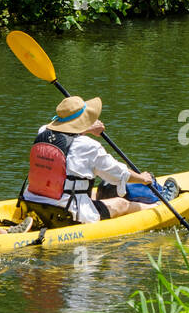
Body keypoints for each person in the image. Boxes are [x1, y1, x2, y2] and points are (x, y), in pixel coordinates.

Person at [19, 96, 162, 228]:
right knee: (122, 203)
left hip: (32, 202)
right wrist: (143, 178)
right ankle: (159, 207)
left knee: (91, 194)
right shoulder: (89, 146)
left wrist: (86, 129)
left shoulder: (42, 133)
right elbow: (117, 174)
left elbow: (66, 137)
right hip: (65, 213)